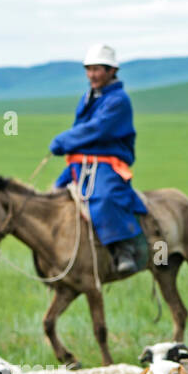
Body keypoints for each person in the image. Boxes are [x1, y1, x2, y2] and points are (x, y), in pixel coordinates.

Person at [48, 43, 149, 274]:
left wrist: (63, 141)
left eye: (98, 69)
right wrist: (68, 145)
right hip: (81, 162)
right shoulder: (87, 98)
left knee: (103, 197)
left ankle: (123, 249)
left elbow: (98, 129)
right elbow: (80, 129)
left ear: (112, 71)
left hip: (107, 162)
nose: (92, 75)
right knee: (54, 193)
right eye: (89, 69)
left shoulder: (118, 100)